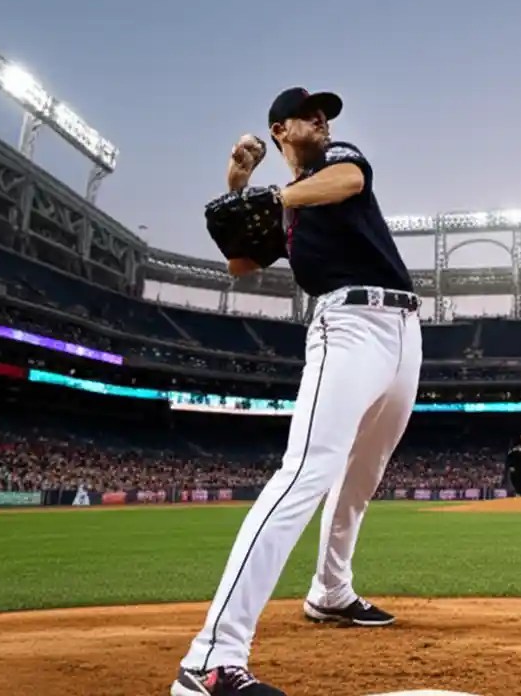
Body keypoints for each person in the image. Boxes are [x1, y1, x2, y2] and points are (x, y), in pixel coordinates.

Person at [172, 87, 422, 696]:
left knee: (360, 479)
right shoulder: (287, 206)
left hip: (405, 333)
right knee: (306, 473)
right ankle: (209, 659)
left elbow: (350, 184)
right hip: (349, 328)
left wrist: (271, 194)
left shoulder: (335, 165)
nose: (322, 119)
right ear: (281, 129)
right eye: (309, 114)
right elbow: (240, 264)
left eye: (326, 114)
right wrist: (237, 187)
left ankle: (330, 593)